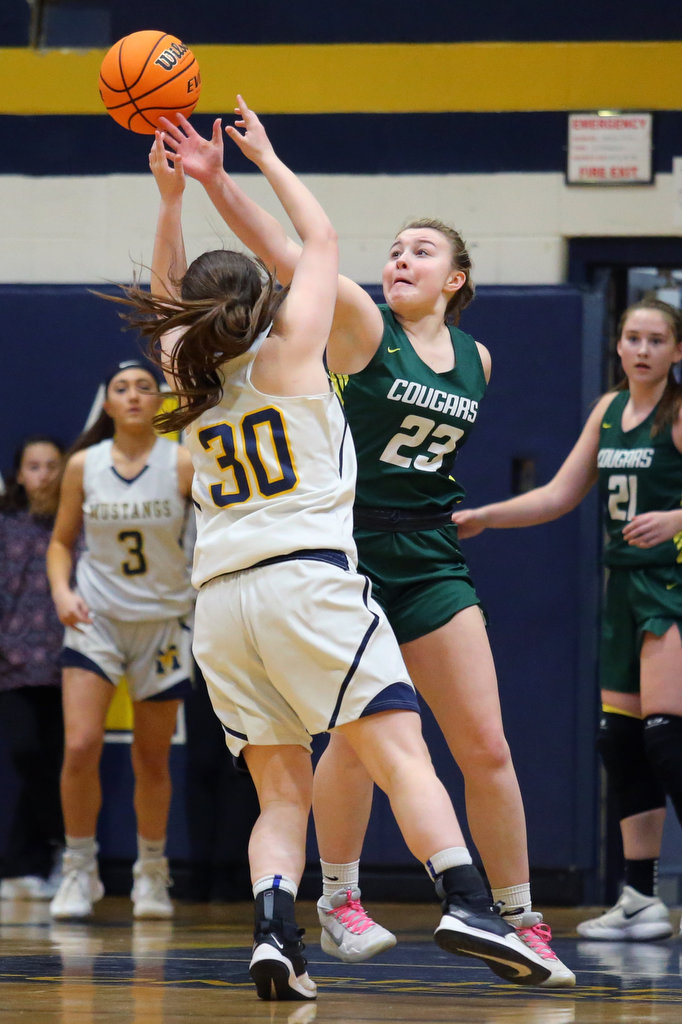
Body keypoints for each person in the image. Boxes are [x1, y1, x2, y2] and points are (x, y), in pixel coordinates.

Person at [113, 95, 567, 1002]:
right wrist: (254, 165)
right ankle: (462, 899)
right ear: (263, 308)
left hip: (227, 599)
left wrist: (172, 202)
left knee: (281, 789)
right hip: (316, 573)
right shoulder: (304, 355)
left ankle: (275, 935)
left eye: (420, 250)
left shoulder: (184, 383)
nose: (399, 258)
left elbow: (170, 304)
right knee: (400, 751)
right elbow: (314, 244)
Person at [451, 298, 682, 942]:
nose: (642, 350)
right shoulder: (609, 412)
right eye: (633, 338)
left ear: (677, 351)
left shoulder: (678, 413)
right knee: (621, 739)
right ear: (618, 346)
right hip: (625, 586)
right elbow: (559, 493)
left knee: (667, 737)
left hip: (673, 584)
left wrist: (678, 517)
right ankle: (640, 896)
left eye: (657, 340)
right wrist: (486, 516)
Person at [46, 359, 195, 921]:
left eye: (144, 388)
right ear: (107, 404)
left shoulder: (182, 464)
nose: (133, 396)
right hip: (97, 621)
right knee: (81, 744)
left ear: (159, 402)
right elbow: (61, 542)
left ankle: (151, 871)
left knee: (151, 758)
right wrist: (62, 592)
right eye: (121, 389)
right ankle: (79, 869)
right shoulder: (83, 465)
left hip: (161, 622)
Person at [0, 436, 66, 900]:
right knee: (25, 752)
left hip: (68, 662)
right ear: (19, 474)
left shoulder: (74, 524)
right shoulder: (5, 525)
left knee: (59, 761)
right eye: (33, 466)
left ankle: (34, 861)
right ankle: (62, 843)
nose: (42, 474)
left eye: (51, 465)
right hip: (13, 661)